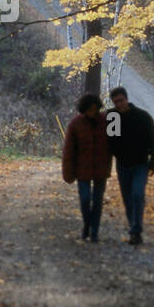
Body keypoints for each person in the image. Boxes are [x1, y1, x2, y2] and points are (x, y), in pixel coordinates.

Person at [106, 86, 154, 246]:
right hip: (123, 164)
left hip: (141, 163)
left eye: (121, 100)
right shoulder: (112, 117)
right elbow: (111, 141)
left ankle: (136, 230)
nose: (119, 104)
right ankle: (134, 228)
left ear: (127, 99)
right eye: (116, 102)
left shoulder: (142, 117)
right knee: (128, 199)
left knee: (137, 195)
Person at [61, 93, 111, 242]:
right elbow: (68, 150)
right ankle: (87, 225)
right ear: (84, 109)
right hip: (82, 169)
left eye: (95, 109)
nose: (92, 112)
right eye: (89, 109)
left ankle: (94, 231)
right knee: (84, 199)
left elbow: (116, 142)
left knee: (97, 201)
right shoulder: (75, 124)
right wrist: (68, 172)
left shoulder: (106, 121)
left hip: (101, 168)